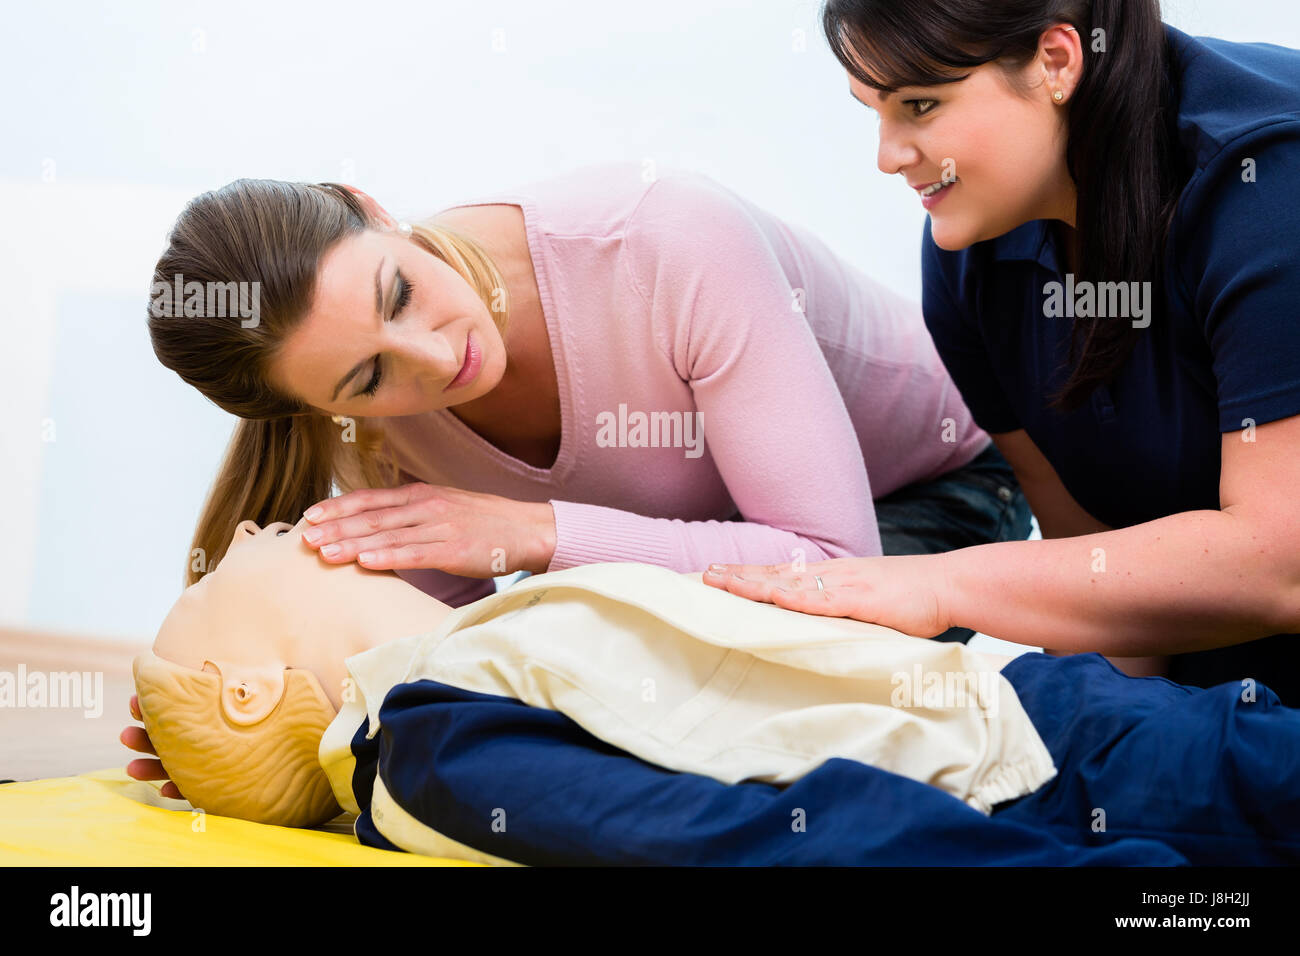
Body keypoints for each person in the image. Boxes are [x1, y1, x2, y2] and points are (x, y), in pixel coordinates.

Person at [705, 0, 1300, 703]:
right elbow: (1093, 579)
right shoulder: (968, 259)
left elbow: (1279, 564)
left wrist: (938, 583)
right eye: (876, 110)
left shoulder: (1266, 187)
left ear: (1056, 61)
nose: (887, 157)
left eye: (920, 105)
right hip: (1215, 683)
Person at [129, 516, 1300, 865]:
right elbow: (733, 840)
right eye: (221, 568)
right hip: (1066, 781)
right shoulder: (433, 747)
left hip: (1063, 722)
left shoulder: (465, 667)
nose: (242, 525)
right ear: (242, 691)